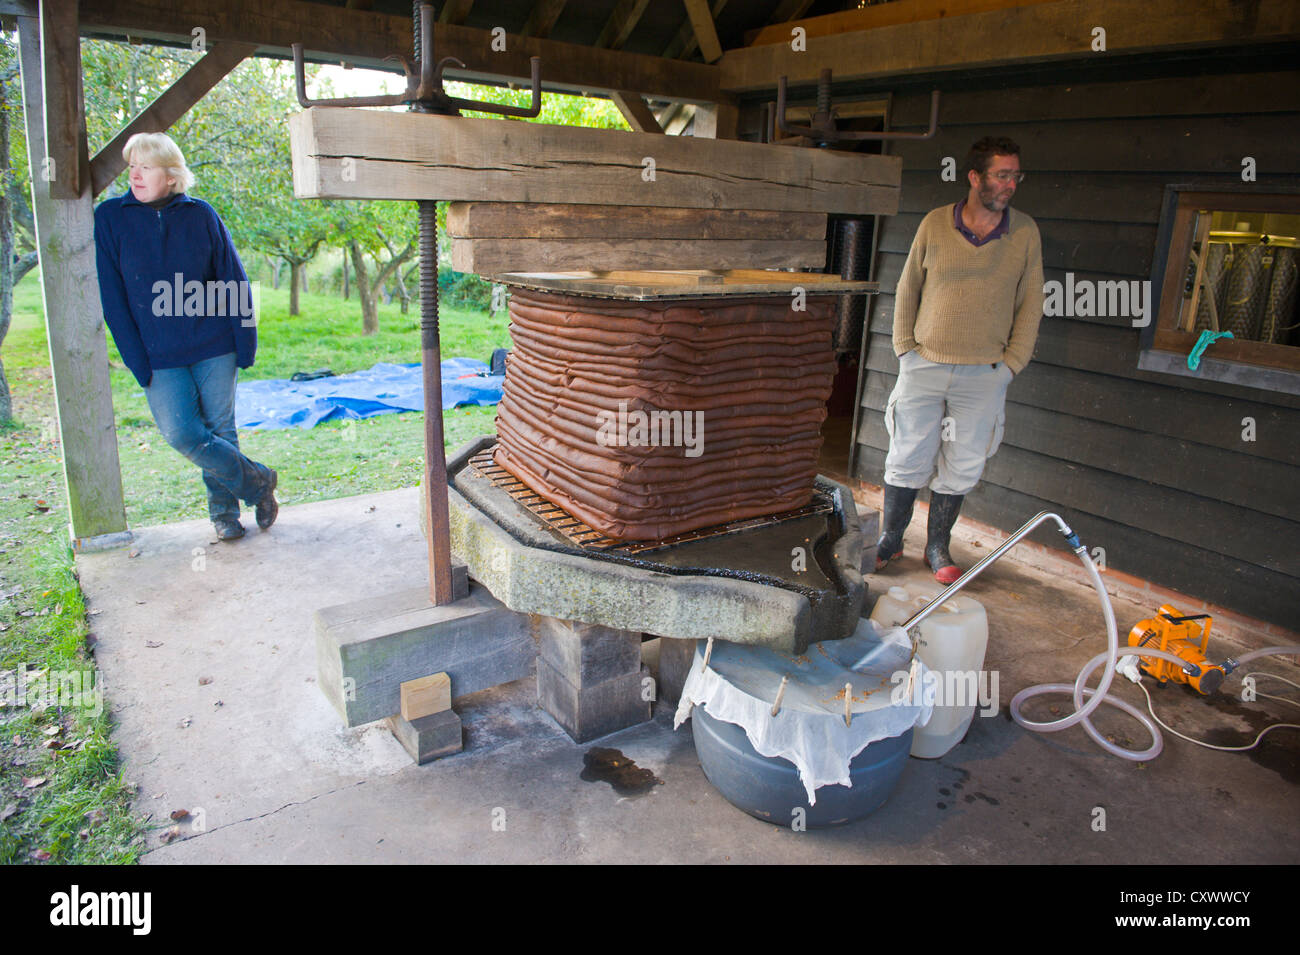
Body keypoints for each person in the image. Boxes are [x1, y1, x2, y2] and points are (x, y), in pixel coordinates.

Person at [94, 132, 278, 541]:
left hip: (215, 345)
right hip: (158, 354)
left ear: (172, 175)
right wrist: (135, 359)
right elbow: (113, 297)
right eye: (132, 167)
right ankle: (259, 482)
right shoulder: (110, 218)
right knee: (182, 434)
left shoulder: (201, 215)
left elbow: (233, 279)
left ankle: (224, 514)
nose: (135, 175)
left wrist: (244, 341)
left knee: (220, 430)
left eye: (146, 167)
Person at [876, 136, 1044, 584]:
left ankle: (936, 547)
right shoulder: (934, 224)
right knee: (907, 453)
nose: (1011, 184)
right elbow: (908, 286)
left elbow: (1031, 303)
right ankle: (890, 540)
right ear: (975, 177)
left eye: (1015, 175)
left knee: (963, 462)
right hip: (924, 363)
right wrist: (905, 350)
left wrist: (1011, 365)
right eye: (1002, 175)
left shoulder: (1024, 232)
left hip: (985, 373)